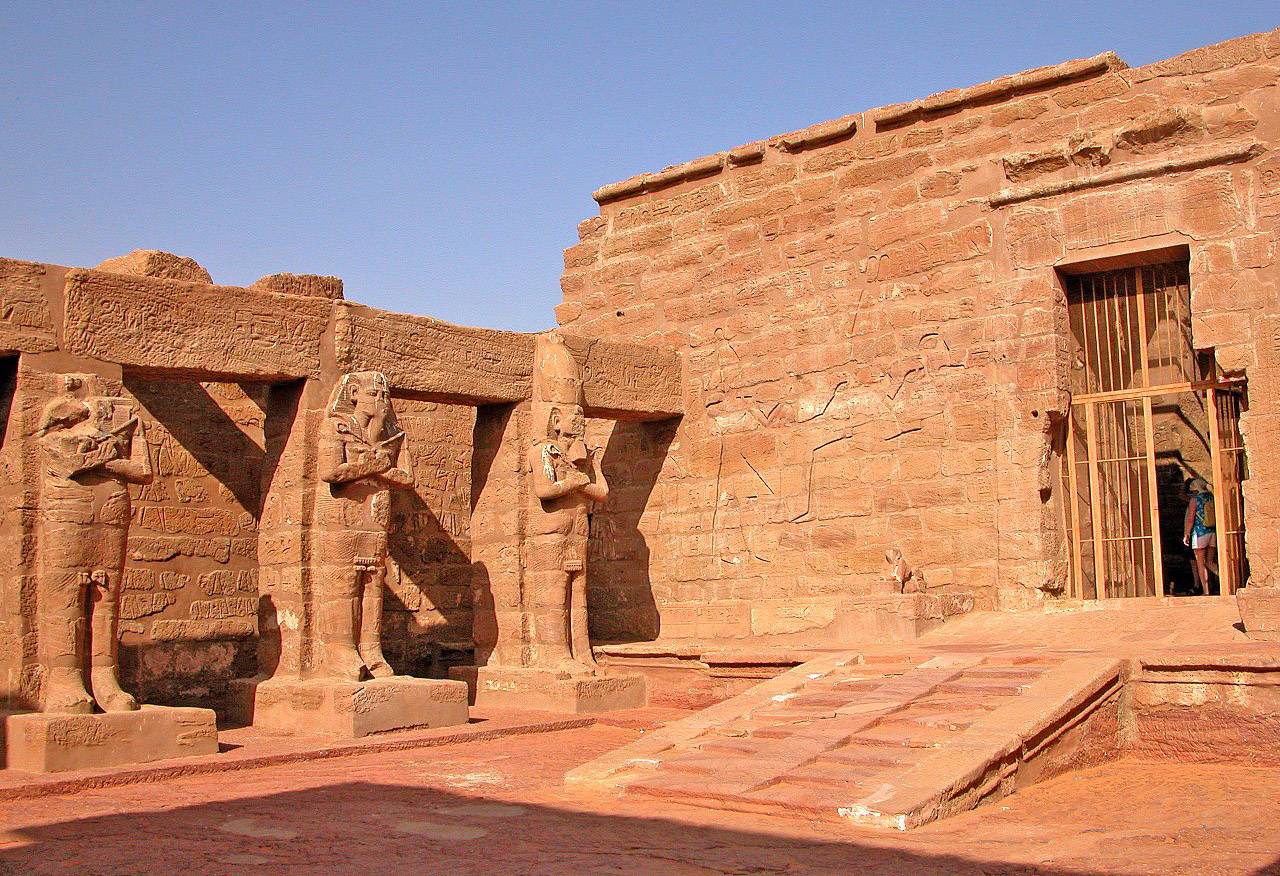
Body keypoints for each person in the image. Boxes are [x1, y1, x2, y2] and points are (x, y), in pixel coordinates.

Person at [1182, 477, 1218, 595]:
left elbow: (1191, 520)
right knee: (1210, 562)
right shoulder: (1211, 497)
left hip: (1200, 533)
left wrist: (1187, 534)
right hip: (1212, 531)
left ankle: (1206, 591)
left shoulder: (1195, 500)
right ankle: (1226, 579)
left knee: (1200, 563)